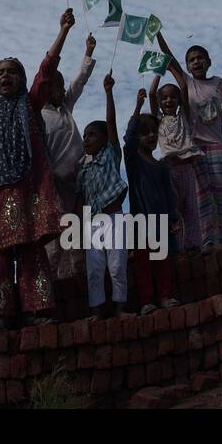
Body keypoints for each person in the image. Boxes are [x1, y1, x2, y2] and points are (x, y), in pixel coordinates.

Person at [0, 56, 61, 330]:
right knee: (0, 251)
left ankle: (36, 311)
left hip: (29, 191)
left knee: (31, 249)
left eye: (12, 72)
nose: (5, 77)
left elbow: (45, 73)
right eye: (0, 72)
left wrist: (63, 32)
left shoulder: (28, 107)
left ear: (22, 79)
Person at [33, 8, 96, 282]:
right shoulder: (38, 116)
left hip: (78, 183)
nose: (60, 89)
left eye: (61, 85)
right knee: (54, 241)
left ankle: (77, 284)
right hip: (55, 186)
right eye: (54, 85)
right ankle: (51, 286)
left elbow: (79, 82)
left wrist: (88, 53)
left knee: (77, 239)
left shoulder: (65, 108)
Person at [160, 30, 222, 248]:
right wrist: (158, 35)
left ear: (209, 61)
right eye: (191, 60)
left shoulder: (218, 84)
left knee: (220, 191)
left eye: (200, 57)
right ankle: (208, 240)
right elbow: (169, 58)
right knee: (201, 196)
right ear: (188, 66)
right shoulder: (187, 82)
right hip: (194, 147)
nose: (196, 61)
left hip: (217, 144)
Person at [75, 72, 128, 319]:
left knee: (117, 266)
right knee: (94, 269)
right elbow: (79, 200)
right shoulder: (83, 170)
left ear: (105, 140)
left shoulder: (110, 154)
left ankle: (120, 308)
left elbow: (112, 122)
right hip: (93, 223)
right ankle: (96, 311)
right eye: (84, 136)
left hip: (115, 217)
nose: (86, 139)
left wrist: (108, 92)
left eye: (92, 135)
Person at [125, 90, 180, 314]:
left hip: (161, 222)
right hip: (140, 221)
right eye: (144, 133)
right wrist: (137, 108)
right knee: (143, 263)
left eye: (153, 133)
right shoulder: (133, 160)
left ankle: (165, 296)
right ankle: (146, 300)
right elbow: (128, 139)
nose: (150, 137)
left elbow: (169, 194)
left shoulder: (160, 166)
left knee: (163, 262)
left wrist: (173, 218)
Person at [148, 66, 202, 252]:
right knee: (174, 211)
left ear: (179, 101)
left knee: (191, 209)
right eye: (165, 98)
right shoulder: (158, 119)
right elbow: (151, 93)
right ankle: (177, 247)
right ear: (160, 103)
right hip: (169, 170)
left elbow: (185, 88)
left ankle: (193, 245)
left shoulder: (184, 116)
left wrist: (173, 70)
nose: (168, 100)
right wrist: (159, 71)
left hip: (186, 168)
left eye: (173, 97)